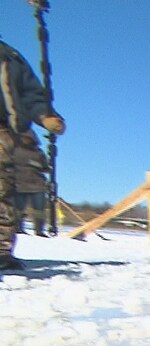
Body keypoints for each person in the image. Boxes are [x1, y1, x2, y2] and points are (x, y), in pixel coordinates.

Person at [1, 38, 64, 269]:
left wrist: (45, 115)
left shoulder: (10, 57)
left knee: (2, 190)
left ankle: (1, 252)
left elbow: (31, 95)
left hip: (3, 130)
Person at [13, 131, 49, 237]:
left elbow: (45, 168)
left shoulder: (39, 153)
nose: (26, 140)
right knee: (18, 209)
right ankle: (18, 228)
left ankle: (39, 230)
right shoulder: (15, 150)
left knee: (39, 211)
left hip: (37, 185)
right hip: (19, 184)